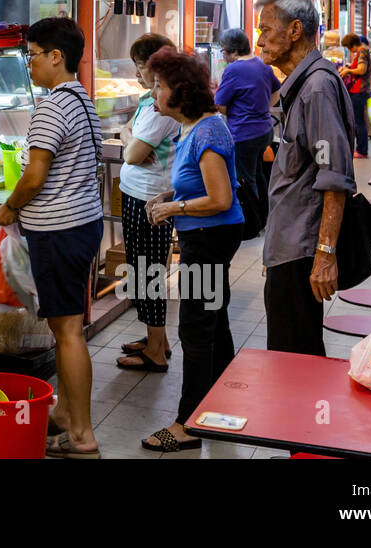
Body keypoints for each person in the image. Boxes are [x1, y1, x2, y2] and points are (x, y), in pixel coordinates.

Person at [0, 17, 104, 458]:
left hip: (59, 231)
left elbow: (35, 176)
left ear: (56, 57)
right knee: (65, 328)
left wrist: (11, 206)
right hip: (80, 225)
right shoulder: (81, 100)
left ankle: (81, 435)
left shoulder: (53, 107)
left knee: (69, 331)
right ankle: (63, 416)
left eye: (33, 54)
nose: (30, 63)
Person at [140, 47, 243, 453]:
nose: (153, 94)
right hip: (205, 233)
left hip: (211, 236)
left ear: (179, 91)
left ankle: (189, 424)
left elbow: (219, 197)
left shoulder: (207, 130)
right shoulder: (193, 127)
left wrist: (174, 206)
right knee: (214, 323)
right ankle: (222, 403)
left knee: (196, 327)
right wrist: (172, 194)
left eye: (159, 86)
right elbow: (199, 184)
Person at [256, 0, 356, 357]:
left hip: (303, 250)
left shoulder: (316, 88)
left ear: (295, 30)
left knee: (294, 357)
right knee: (292, 355)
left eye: (266, 30)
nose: (260, 39)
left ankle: (307, 417)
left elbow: (334, 176)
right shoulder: (302, 84)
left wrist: (324, 254)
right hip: (290, 246)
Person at [115, 33, 181, 373]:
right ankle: (158, 339)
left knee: (149, 273)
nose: (139, 75)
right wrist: (130, 142)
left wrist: (131, 145)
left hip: (151, 199)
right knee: (141, 270)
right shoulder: (147, 100)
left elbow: (132, 151)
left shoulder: (162, 107)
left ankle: (156, 351)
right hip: (136, 193)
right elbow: (128, 135)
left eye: (142, 67)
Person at [213, 28, 279, 230]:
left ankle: (251, 223)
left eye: (223, 51)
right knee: (258, 173)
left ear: (232, 50)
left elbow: (220, 105)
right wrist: (262, 108)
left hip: (244, 133)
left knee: (245, 177)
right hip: (265, 130)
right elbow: (277, 91)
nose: (223, 55)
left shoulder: (234, 69)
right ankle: (264, 217)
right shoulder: (262, 64)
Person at [339, 34, 371, 159]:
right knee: (358, 121)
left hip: (359, 90)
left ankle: (362, 150)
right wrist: (348, 67)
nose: (349, 50)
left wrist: (348, 71)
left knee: (359, 122)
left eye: (348, 47)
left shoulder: (362, 52)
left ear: (352, 45)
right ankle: (360, 149)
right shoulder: (360, 53)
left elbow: (361, 70)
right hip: (357, 90)